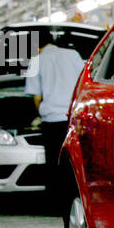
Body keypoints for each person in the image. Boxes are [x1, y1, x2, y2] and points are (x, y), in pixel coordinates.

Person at [24, 32, 84, 183]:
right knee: (74, 163)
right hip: (74, 120)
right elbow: (83, 84)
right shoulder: (73, 54)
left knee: (54, 165)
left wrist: (38, 115)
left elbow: (36, 96)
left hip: (51, 121)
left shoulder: (36, 61)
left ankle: (56, 201)